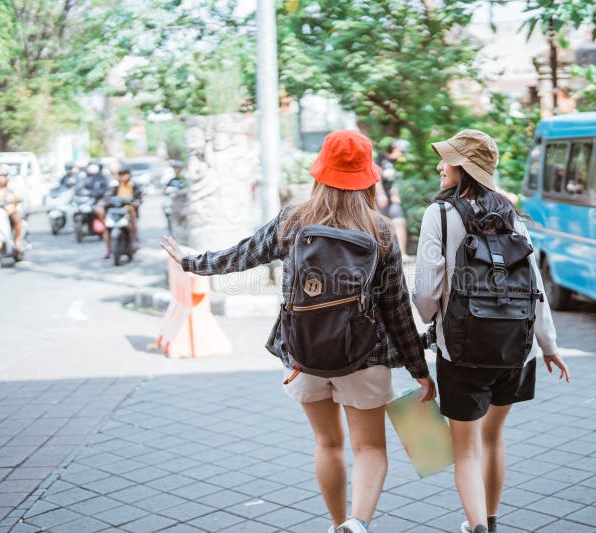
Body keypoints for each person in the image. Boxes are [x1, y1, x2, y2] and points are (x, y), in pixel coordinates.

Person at [160, 130, 436, 533]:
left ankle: (337, 522)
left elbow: (242, 255)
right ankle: (358, 523)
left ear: (321, 173)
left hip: (304, 355)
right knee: (370, 447)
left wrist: (193, 262)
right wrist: (419, 369)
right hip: (367, 358)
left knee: (327, 444)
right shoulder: (378, 230)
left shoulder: (294, 219)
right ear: (367, 177)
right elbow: (396, 309)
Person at [412, 129, 570, 533]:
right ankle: (492, 522)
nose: (439, 165)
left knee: (465, 449)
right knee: (494, 438)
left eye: (447, 159)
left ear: (465, 167)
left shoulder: (440, 214)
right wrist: (548, 345)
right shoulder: (511, 213)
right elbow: (533, 285)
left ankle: (476, 526)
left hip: (461, 349)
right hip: (516, 350)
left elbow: (428, 292)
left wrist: (429, 320)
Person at [375, 139, 410, 260]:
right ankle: (379, 256)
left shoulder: (392, 162)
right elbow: (376, 178)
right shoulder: (380, 158)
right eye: (401, 151)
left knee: (400, 222)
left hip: (392, 199)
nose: (402, 154)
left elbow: (392, 181)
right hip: (381, 199)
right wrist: (380, 194)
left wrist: (395, 194)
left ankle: (402, 254)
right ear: (393, 148)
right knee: (380, 227)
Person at [100, 167, 142, 259]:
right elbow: (108, 196)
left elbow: (138, 198)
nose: (123, 177)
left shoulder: (134, 186)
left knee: (132, 223)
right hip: (116, 210)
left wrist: (136, 202)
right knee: (107, 228)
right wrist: (105, 201)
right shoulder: (115, 186)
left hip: (129, 210)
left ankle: (133, 243)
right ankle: (107, 251)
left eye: (125, 174)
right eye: (121, 175)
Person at [0, 164, 23, 250]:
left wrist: (13, 199)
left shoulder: (12, 186)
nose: (0, 178)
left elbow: (18, 196)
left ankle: (17, 240)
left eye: (2, 176)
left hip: (11, 211)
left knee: (16, 218)